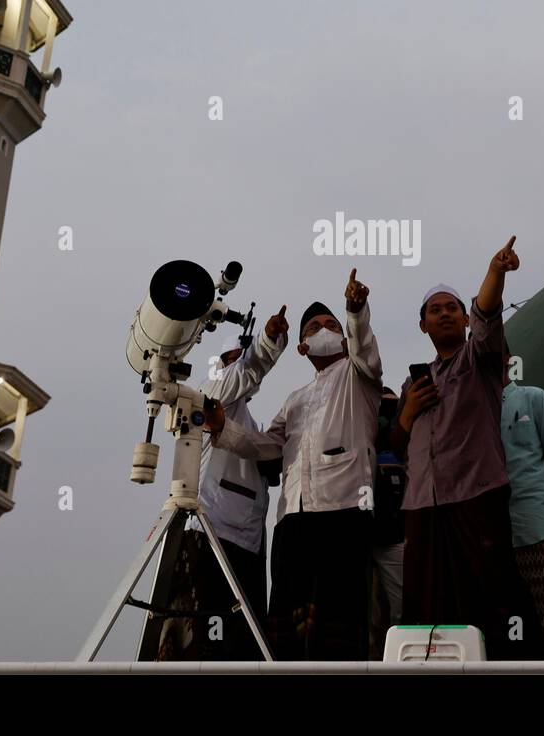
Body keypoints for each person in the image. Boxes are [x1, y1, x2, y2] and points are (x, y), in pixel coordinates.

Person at [204, 270, 382, 659]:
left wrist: (355, 310)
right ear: (301, 347)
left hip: (344, 512)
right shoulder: (295, 399)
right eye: (314, 327)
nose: (323, 330)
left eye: (331, 325)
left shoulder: (359, 377)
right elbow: (269, 446)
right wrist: (224, 430)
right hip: (293, 521)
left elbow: (366, 348)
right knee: (288, 630)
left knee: (340, 627)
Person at [391, 236, 542, 659]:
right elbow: (395, 444)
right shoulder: (411, 385)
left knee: (492, 596)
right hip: (422, 506)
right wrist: (407, 414)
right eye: (435, 310)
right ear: (422, 325)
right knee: (426, 605)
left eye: (452, 308)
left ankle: (512, 667)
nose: (444, 314)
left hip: (476, 496)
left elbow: (489, 315)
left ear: (463, 319)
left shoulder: (481, 358)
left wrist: (496, 271)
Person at [153, 307, 288, 660]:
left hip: (249, 544)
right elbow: (245, 374)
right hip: (212, 536)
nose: (239, 366)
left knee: (242, 643)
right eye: (234, 359)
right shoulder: (210, 393)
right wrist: (268, 344)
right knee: (199, 640)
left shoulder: (251, 421)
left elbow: (268, 453)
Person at [501, 348, 544, 658]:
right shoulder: (473, 408)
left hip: (538, 529)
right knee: (506, 626)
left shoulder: (533, 398)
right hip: (494, 534)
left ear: (507, 358)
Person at [368, 388, 406, 659]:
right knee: (369, 614)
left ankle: (398, 661)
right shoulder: (361, 446)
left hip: (395, 539)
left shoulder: (402, 449)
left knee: (400, 610)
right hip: (364, 538)